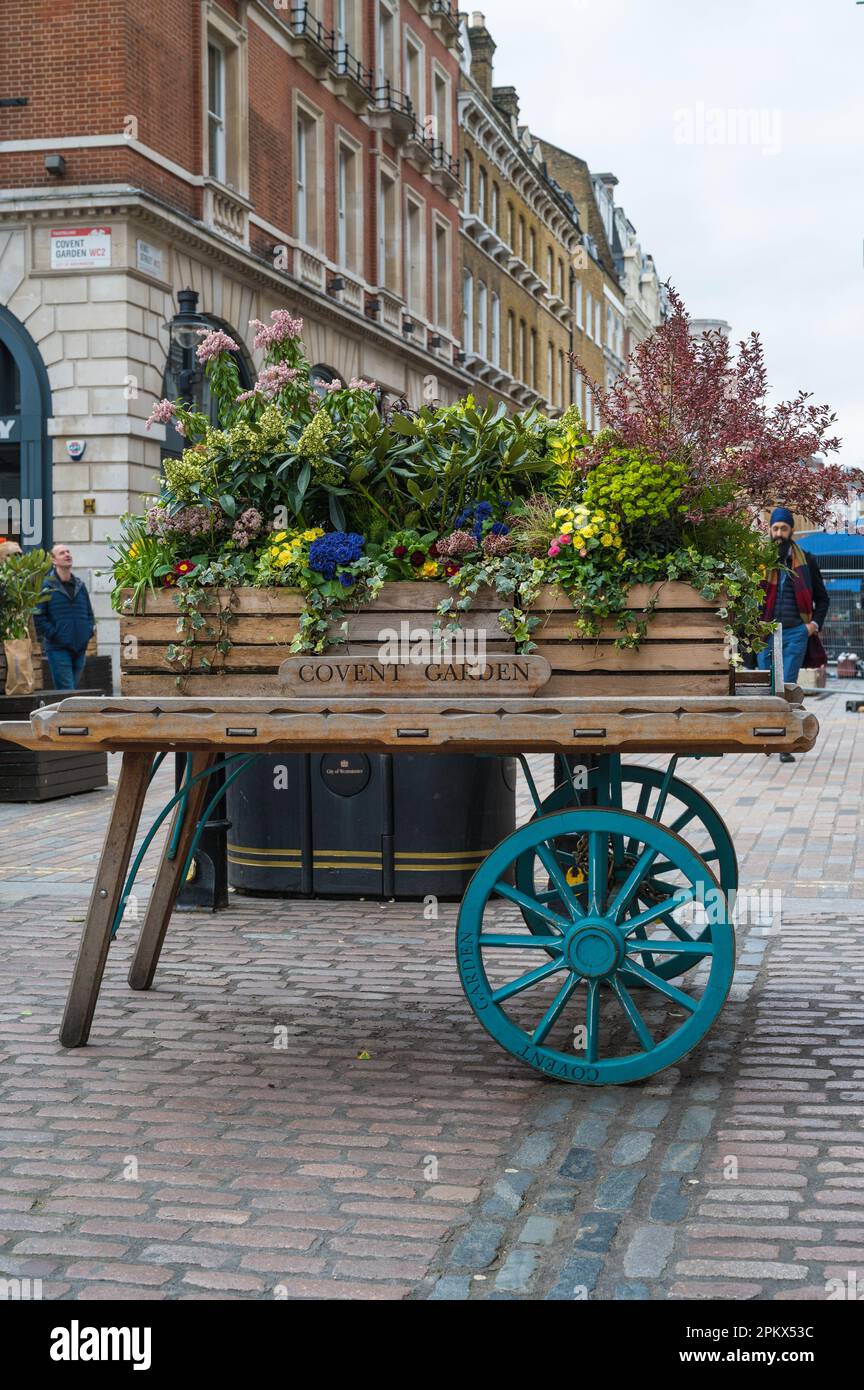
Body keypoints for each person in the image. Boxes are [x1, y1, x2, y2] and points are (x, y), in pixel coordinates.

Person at [757, 506, 829, 763]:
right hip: (763, 633)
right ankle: (766, 739)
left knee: (787, 687)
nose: (778, 533)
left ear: (791, 531)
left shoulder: (806, 560)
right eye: (775, 528)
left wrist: (813, 626)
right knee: (764, 689)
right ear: (769, 529)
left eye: (783, 528)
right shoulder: (759, 560)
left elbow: (822, 599)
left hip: (795, 633)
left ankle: (785, 743)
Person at [33, 543, 96, 690]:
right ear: (54, 561)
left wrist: (88, 632)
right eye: (62, 553)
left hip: (80, 646)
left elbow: (89, 613)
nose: (67, 554)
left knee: (72, 690)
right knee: (67, 690)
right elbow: (38, 616)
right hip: (58, 648)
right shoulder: (46, 586)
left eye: (68, 552)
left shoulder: (80, 585)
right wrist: (55, 634)